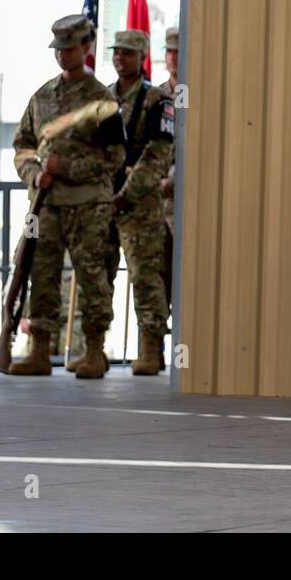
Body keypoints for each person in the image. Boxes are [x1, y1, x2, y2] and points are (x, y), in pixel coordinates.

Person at [9, 14, 125, 378]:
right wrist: (35, 173)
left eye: (70, 49)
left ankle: (93, 349)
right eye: (58, 50)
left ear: (87, 47)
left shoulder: (102, 100)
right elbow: (23, 145)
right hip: (48, 203)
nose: (62, 56)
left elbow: (115, 157)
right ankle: (40, 349)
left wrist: (69, 169)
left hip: (88, 204)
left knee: (92, 275)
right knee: (41, 274)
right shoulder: (42, 96)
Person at [107, 29, 175, 375]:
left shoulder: (157, 100)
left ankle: (151, 348)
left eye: (128, 53)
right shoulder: (103, 98)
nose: (121, 58)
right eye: (117, 53)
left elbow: (157, 155)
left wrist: (126, 194)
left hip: (139, 204)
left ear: (141, 58)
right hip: (104, 202)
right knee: (98, 275)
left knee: (146, 277)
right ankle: (93, 347)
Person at [159, 26, 179, 312]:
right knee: (157, 279)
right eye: (169, 52)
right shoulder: (156, 97)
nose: (173, 58)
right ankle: (154, 352)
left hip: (188, 204)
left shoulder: (201, 94)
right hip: (159, 204)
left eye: (179, 51)